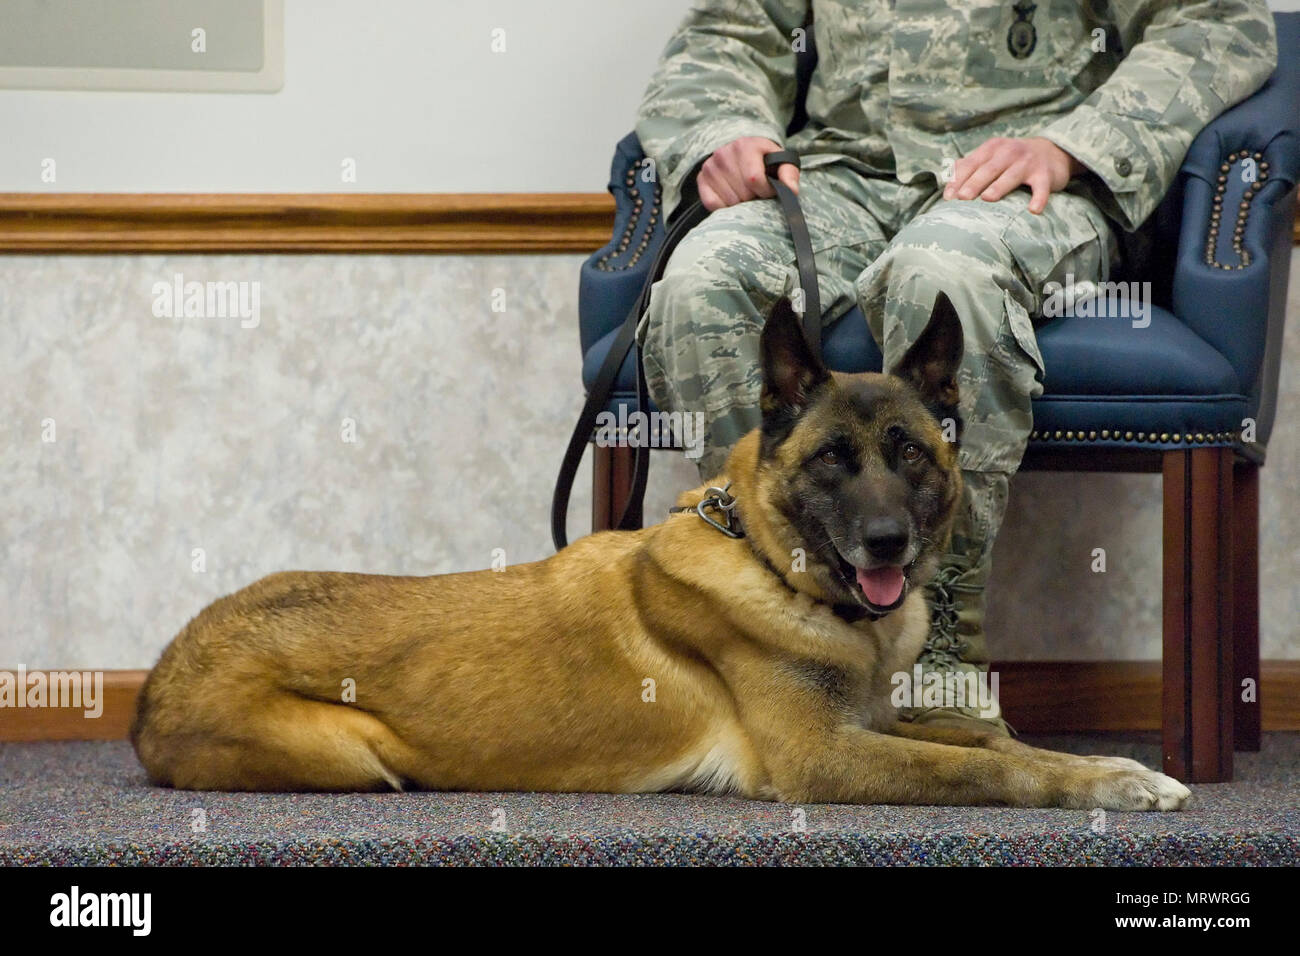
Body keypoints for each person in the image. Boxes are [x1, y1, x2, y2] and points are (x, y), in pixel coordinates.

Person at [634, 0, 1277, 732]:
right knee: (701, 283)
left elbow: (1218, 22)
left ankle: (935, 657)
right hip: (838, 172)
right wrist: (728, 131)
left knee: (941, 274)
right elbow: (730, 30)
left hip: (1019, 180)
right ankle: (762, 638)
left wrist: (1075, 145)